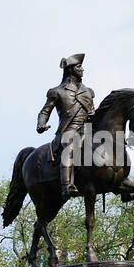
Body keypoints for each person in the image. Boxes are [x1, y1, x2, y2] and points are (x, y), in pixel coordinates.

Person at [36, 52, 95, 200]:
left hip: (89, 130)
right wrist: (41, 124)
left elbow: (94, 112)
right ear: (70, 69)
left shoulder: (88, 92)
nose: (82, 69)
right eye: (79, 67)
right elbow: (44, 112)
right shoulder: (57, 92)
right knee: (70, 146)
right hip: (69, 130)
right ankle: (66, 186)